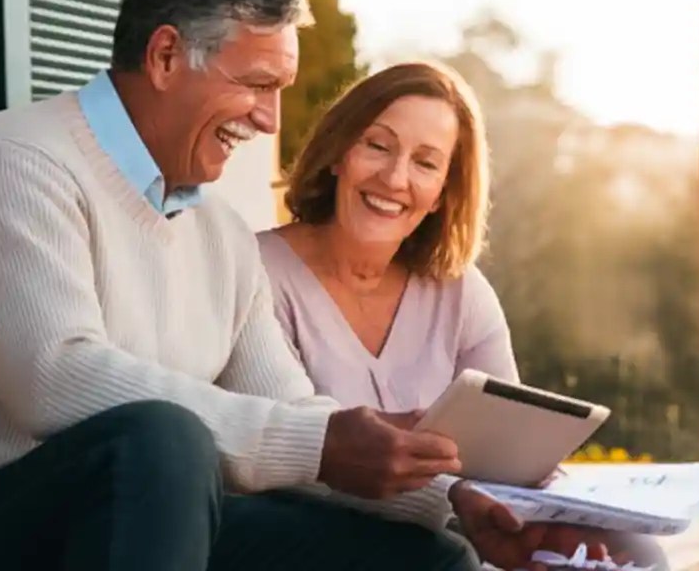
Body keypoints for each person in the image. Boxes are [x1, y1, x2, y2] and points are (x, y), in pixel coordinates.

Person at [0, 0, 543, 571]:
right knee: (163, 439)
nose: (271, 119)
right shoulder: (12, 162)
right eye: (257, 84)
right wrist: (322, 444)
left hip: (149, 523)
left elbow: (294, 411)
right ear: (164, 58)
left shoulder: (218, 233)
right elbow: (57, 379)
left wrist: (454, 501)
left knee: (427, 558)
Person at [260, 62, 669, 571]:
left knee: (636, 549)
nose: (395, 178)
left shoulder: (459, 289)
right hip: (332, 532)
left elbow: (516, 457)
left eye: (426, 163)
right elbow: (291, 450)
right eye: (378, 146)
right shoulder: (260, 272)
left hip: (468, 522)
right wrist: (461, 501)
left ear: (442, 195)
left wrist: (551, 508)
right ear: (340, 152)